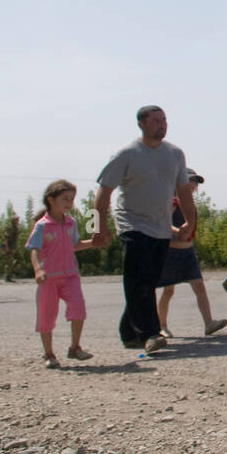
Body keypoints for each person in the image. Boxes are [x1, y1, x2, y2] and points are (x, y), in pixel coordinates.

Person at [92, 105, 197, 354]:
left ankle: (129, 333)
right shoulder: (127, 154)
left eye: (164, 120)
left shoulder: (175, 154)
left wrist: (190, 222)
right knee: (138, 278)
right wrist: (97, 227)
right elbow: (104, 191)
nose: (161, 125)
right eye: (155, 121)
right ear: (141, 124)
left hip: (161, 227)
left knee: (147, 281)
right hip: (132, 224)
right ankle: (150, 334)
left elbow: (183, 190)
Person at [26, 180, 100, 368]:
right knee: (46, 316)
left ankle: (75, 347)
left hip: (70, 276)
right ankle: (49, 354)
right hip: (49, 278)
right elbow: (34, 249)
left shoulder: (70, 223)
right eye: (65, 199)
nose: (69, 203)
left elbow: (74, 245)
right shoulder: (42, 226)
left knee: (79, 309)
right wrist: (38, 269)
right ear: (51, 200)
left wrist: (93, 243)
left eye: (72, 199)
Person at [156, 168, 227, 338]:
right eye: (191, 180)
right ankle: (162, 326)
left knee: (199, 286)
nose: (194, 184)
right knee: (168, 291)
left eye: (196, 181)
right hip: (171, 252)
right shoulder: (173, 201)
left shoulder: (189, 203)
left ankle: (209, 323)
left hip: (188, 252)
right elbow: (163, 221)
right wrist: (176, 230)